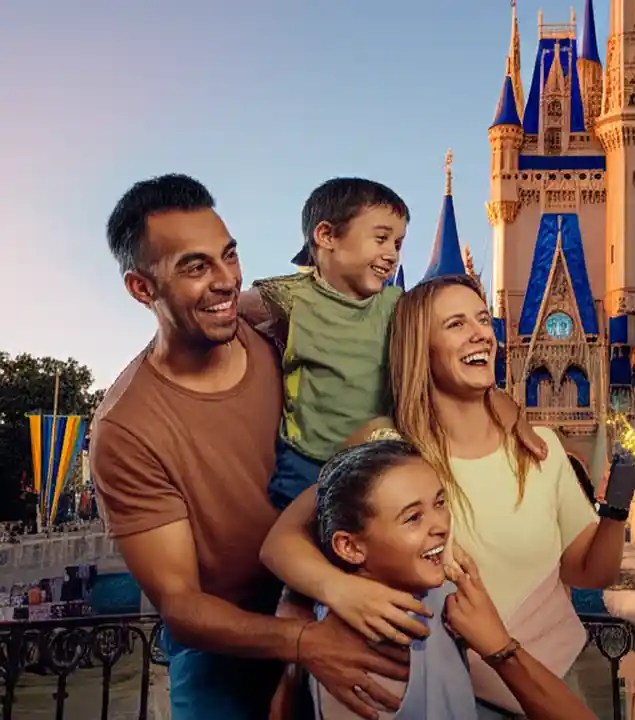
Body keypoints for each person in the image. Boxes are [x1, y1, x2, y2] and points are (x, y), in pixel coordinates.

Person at [91, 174, 411, 719]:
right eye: (195, 267)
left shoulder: (277, 338)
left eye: (229, 256)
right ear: (143, 289)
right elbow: (182, 605)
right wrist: (303, 641)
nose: (225, 281)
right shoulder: (126, 430)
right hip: (226, 659)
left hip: (331, 609)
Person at [262, 273, 633, 717]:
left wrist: (616, 509)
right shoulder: (387, 448)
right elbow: (280, 543)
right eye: (455, 324)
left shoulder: (541, 447)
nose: (480, 333)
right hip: (449, 688)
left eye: (482, 319)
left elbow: (591, 572)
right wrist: (342, 592)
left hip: (557, 679)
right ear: (421, 348)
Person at [238, 177, 541, 511]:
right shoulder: (291, 297)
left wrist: (511, 413)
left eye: (397, 244)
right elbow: (224, 306)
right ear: (326, 237)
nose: (391, 254)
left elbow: (464, 365)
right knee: (297, 532)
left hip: (376, 458)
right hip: (307, 461)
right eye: (381, 239)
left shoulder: (397, 305)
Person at [299, 439, 595, 719]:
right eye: (413, 517)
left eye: (439, 503)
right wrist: (501, 648)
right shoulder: (350, 649)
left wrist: (495, 641)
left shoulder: (437, 594)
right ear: (350, 547)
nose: (440, 525)